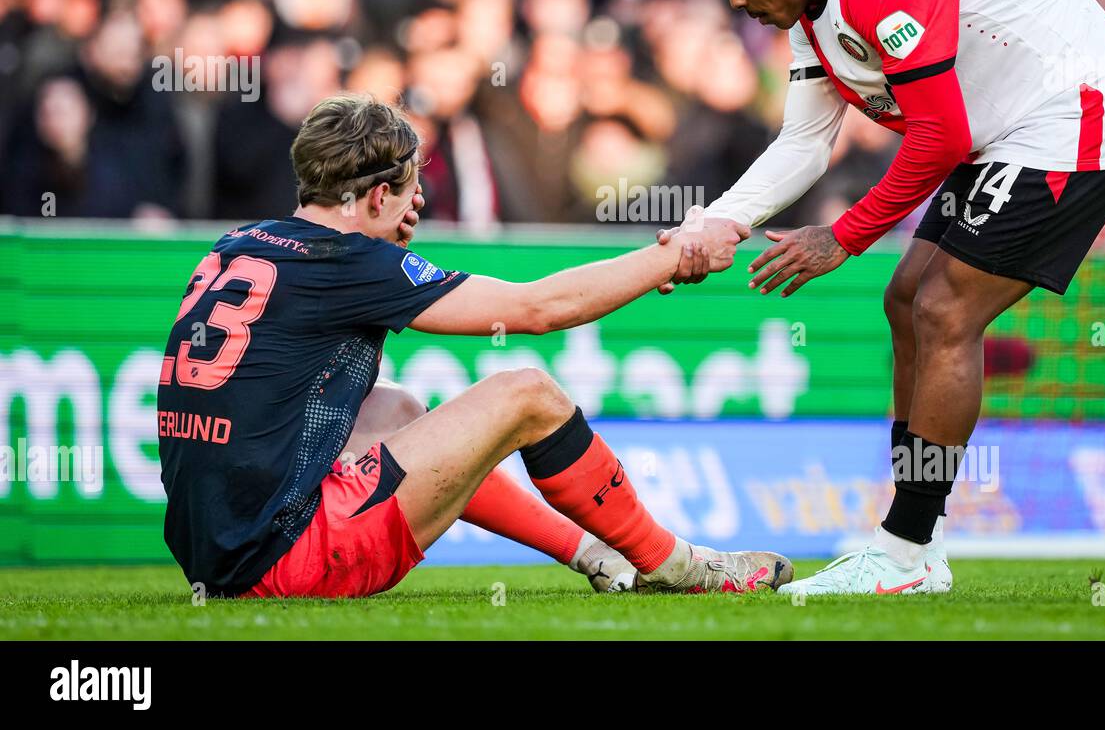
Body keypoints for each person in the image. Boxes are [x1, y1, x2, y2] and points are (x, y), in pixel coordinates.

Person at [659, 0, 1105, 596]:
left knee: (944, 310)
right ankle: (919, 546)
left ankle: (901, 553)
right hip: (1008, 129)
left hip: (1075, 116)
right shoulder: (812, 3)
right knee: (906, 303)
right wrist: (716, 223)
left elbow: (941, 134)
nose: (736, 1)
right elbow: (804, 141)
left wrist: (843, 236)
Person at [158, 94, 793, 599]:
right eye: (411, 190)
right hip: (286, 561)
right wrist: (673, 258)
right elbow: (542, 308)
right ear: (379, 196)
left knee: (398, 411)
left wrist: (381, 248)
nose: (418, 203)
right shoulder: (351, 263)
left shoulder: (241, 242)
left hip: (211, 553)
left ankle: (592, 552)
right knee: (529, 395)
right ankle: (672, 563)